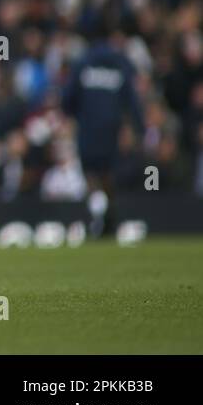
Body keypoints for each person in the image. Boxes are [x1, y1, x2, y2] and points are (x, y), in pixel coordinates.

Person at [62, 13, 144, 237]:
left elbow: (67, 100)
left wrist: (73, 114)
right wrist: (139, 128)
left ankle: (96, 218)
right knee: (108, 176)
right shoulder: (120, 63)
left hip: (88, 130)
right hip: (112, 131)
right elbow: (133, 101)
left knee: (91, 177)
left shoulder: (83, 63)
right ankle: (110, 217)